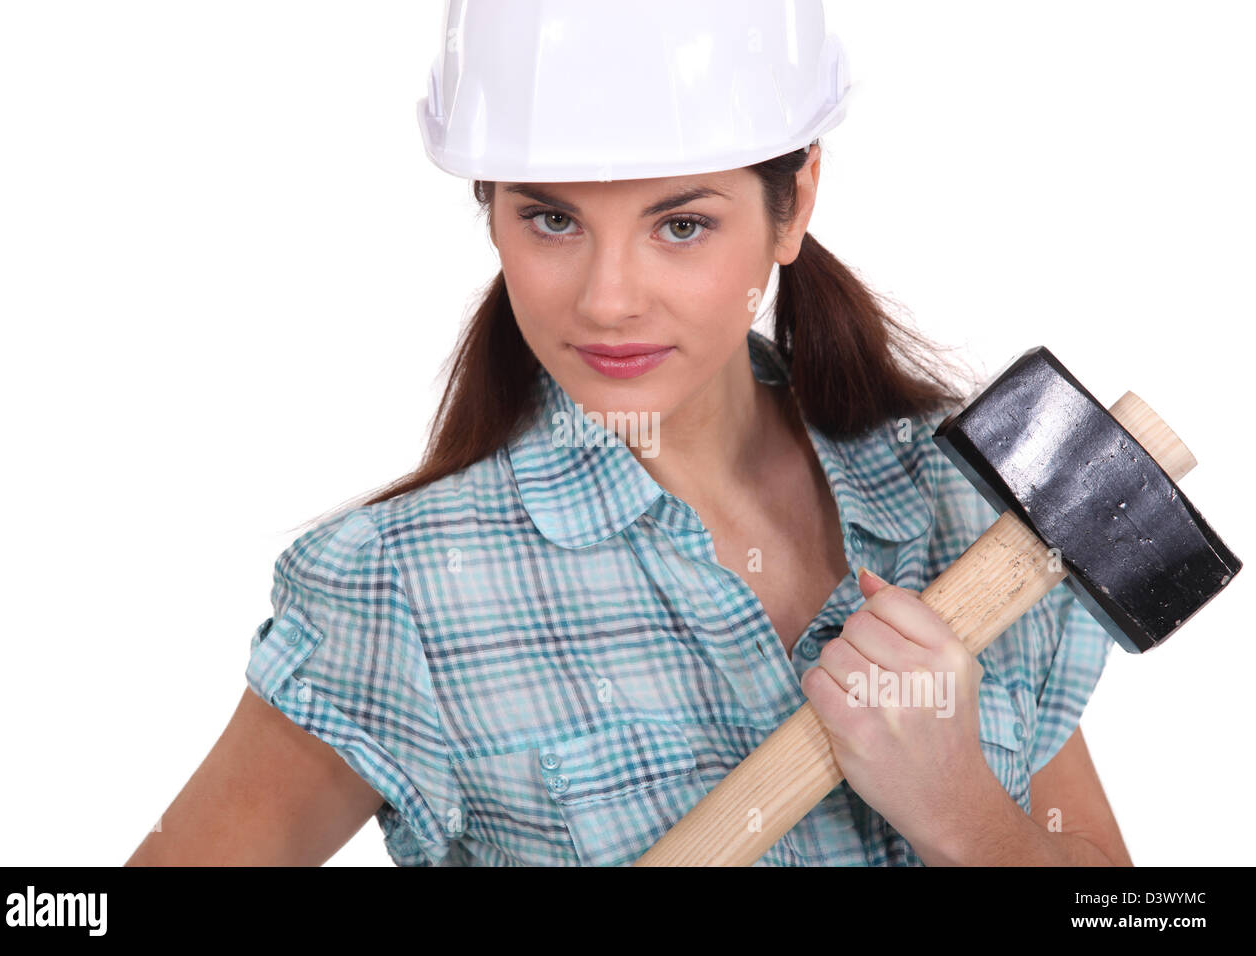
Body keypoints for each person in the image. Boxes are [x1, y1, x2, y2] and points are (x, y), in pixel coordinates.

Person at [126, 0, 1131, 867]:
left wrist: (965, 815)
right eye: (552, 221)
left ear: (795, 204)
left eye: (681, 225)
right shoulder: (403, 589)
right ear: (492, 213)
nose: (607, 300)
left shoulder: (967, 510)